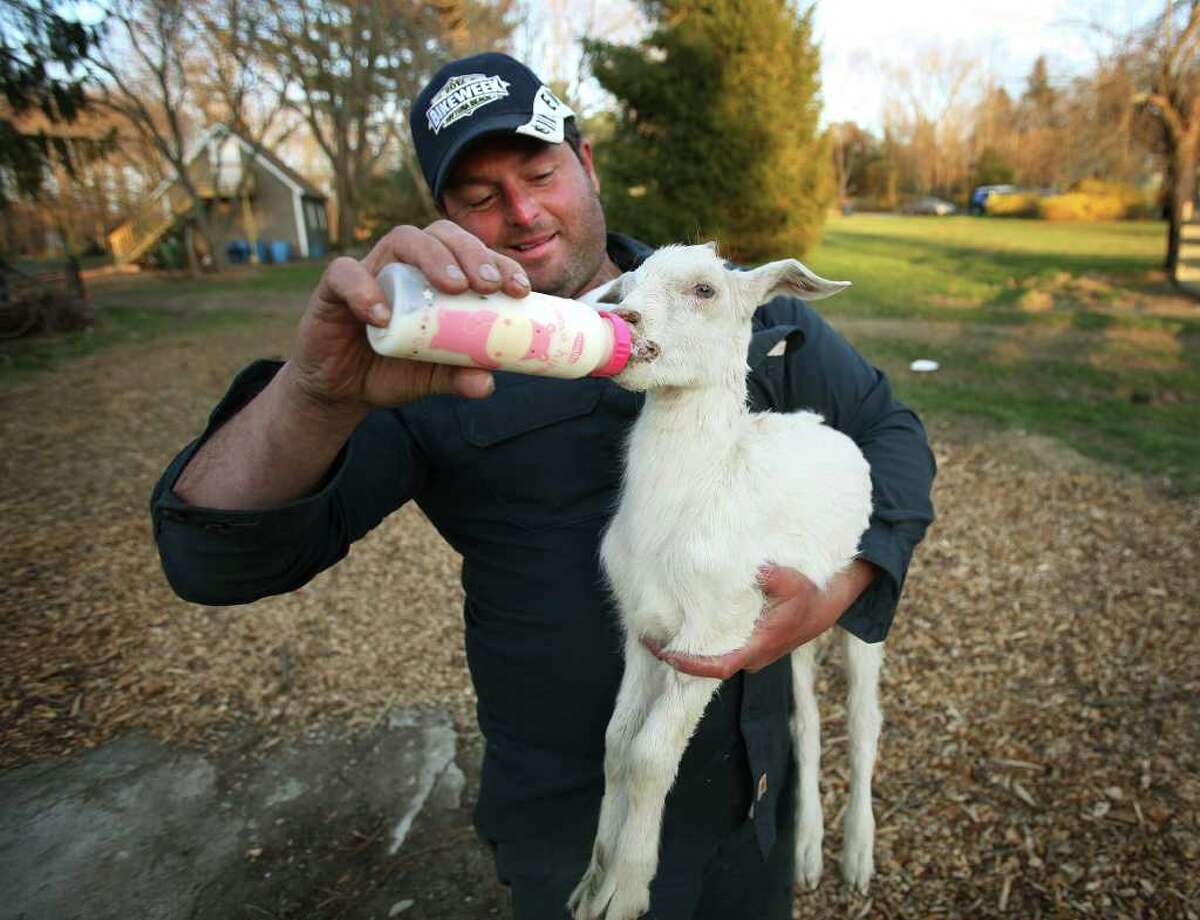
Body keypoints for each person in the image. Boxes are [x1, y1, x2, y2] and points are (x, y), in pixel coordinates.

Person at [150, 52, 936, 919]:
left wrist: (846, 584)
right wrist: (314, 390)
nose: (522, 213)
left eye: (539, 171)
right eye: (479, 197)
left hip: (756, 797)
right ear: (444, 216)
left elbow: (892, 434)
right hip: (574, 829)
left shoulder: (752, 314)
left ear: (586, 163)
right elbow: (211, 561)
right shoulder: (425, 368)